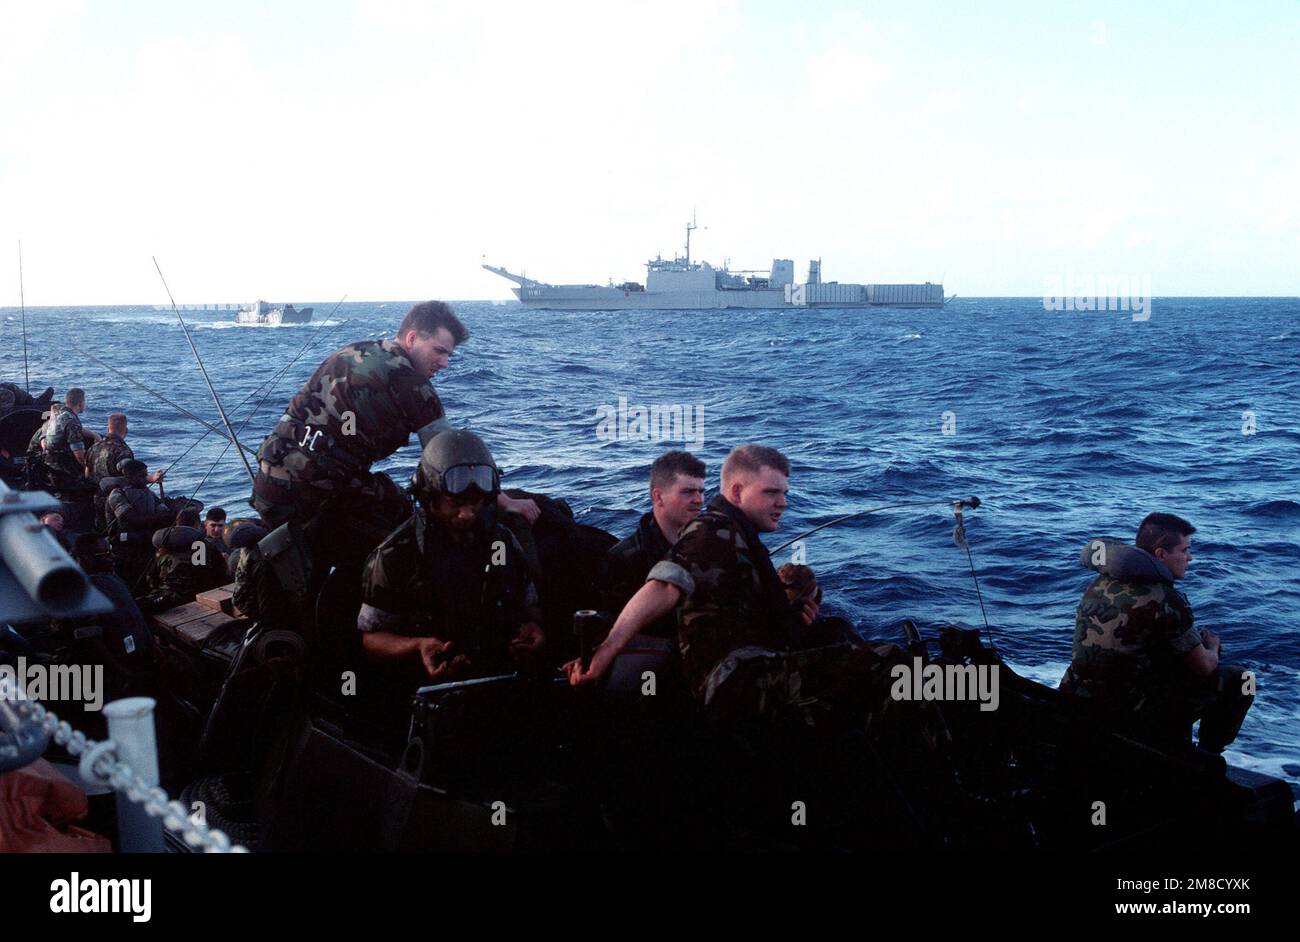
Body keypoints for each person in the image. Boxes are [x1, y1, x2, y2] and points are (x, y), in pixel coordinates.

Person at [249, 301, 539, 589]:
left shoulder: (350, 351)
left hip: (268, 487)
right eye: (439, 351)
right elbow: (452, 460)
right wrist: (505, 502)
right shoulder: (412, 385)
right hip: (316, 497)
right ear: (412, 338)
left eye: (449, 355)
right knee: (408, 532)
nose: (445, 363)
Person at [358, 430, 544, 705]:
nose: (467, 513)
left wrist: (533, 631)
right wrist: (417, 646)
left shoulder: (502, 541)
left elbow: (530, 607)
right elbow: (371, 638)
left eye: (476, 503)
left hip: (499, 680)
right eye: (455, 504)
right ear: (430, 496)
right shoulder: (395, 555)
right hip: (426, 693)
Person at [1059, 513, 1253, 754]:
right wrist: (1212, 647)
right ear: (1161, 555)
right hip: (1130, 712)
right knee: (1244, 680)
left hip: (1078, 697)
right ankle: (1207, 755)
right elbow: (1204, 667)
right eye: (1184, 551)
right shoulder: (1167, 599)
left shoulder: (1102, 582)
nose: (1189, 557)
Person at [602, 451, 705, 638]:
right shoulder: (625, 560)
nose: (699, 500)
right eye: (688, 491)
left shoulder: (709, 546)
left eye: (701, 491)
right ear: (658, 497)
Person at [105, 459, 176, 591]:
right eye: (141, 476)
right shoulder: (117, 494)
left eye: (146, 475)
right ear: (129, 477)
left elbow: (163, 511)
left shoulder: (148, 493)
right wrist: (161, 516)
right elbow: (132, 519)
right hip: (125, 547)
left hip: (146, 543)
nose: (145, 479)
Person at [42, 389, 97, 485]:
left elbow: (77, 428)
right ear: (80, 403)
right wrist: (91, 470)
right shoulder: (72, 421)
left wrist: (94, 435)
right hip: (60, 468)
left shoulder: (58, 414)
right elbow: (80, 456)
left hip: (47, 462)